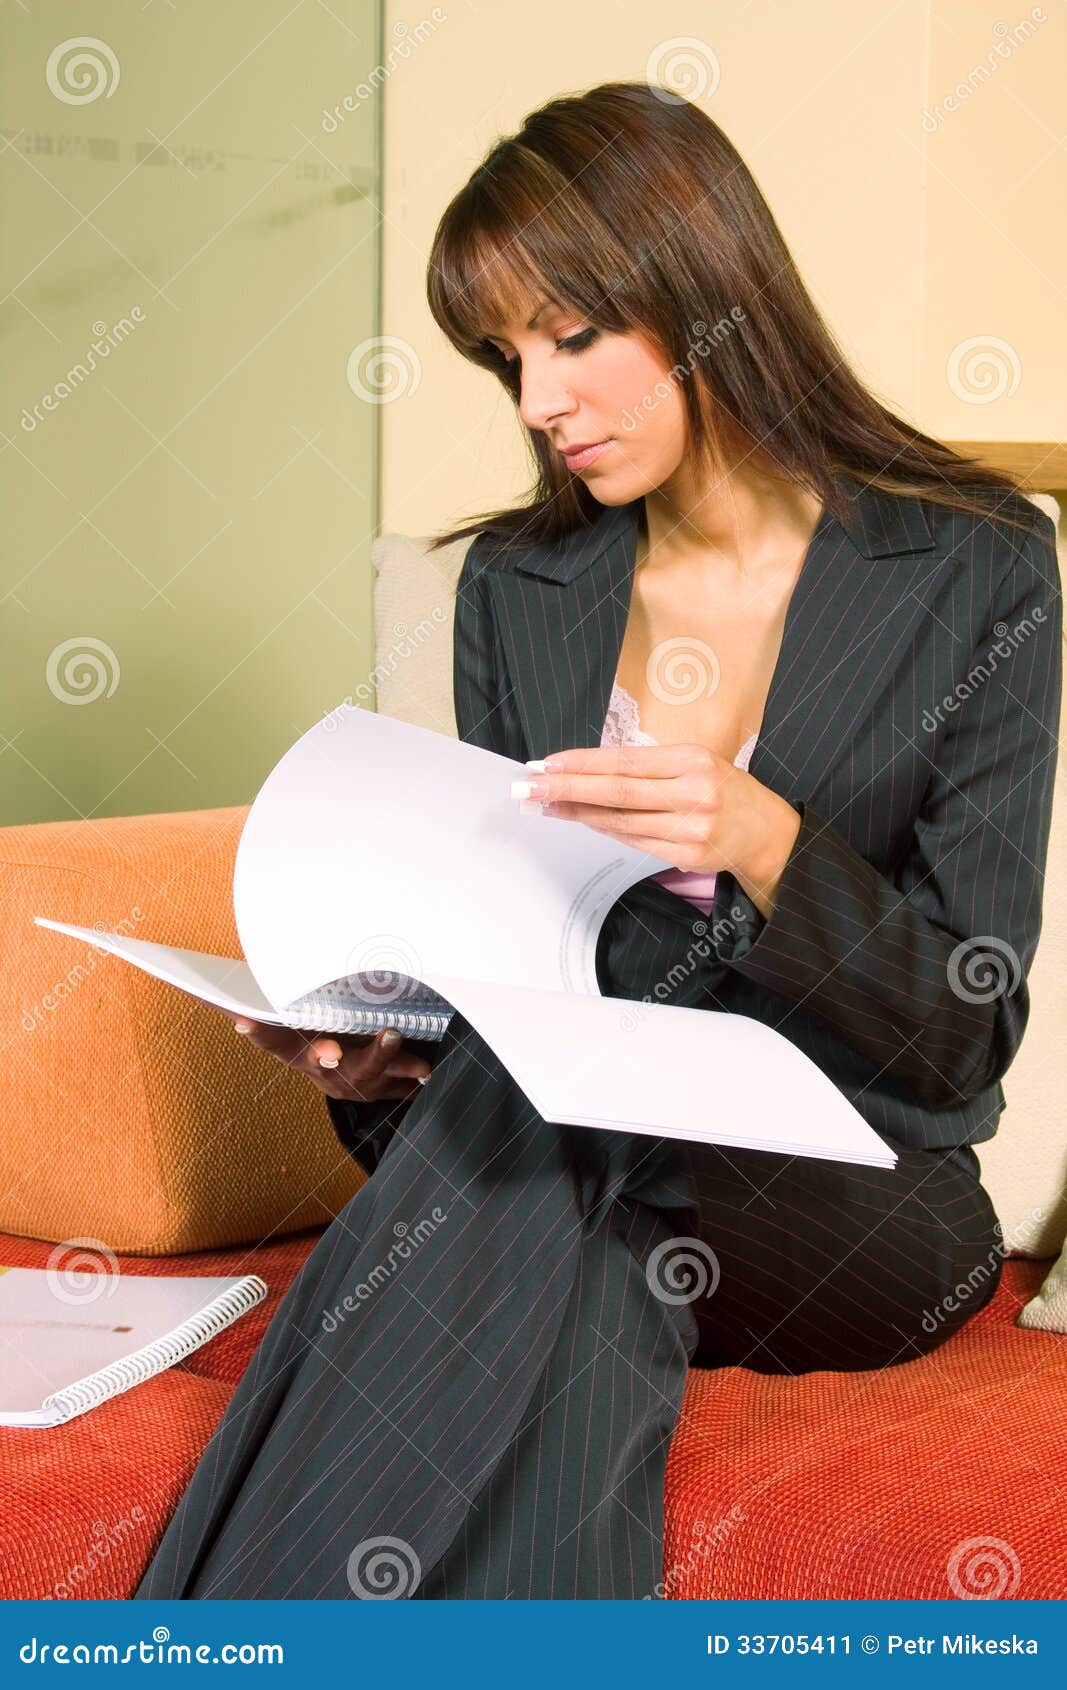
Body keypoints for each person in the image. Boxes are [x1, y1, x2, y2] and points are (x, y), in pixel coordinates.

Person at [133, 81, 1061, 1601]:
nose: (536, 401)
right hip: (578, 1144)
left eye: (570, 337)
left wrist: (765, 841)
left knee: (568, 1144)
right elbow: (524, 956)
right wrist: (390, 1062)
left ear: (702, 293)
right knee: (579, 1172)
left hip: (862, 1191)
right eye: (507, 359)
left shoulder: (977, 566)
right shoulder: (521, 585)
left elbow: (967, 1029)